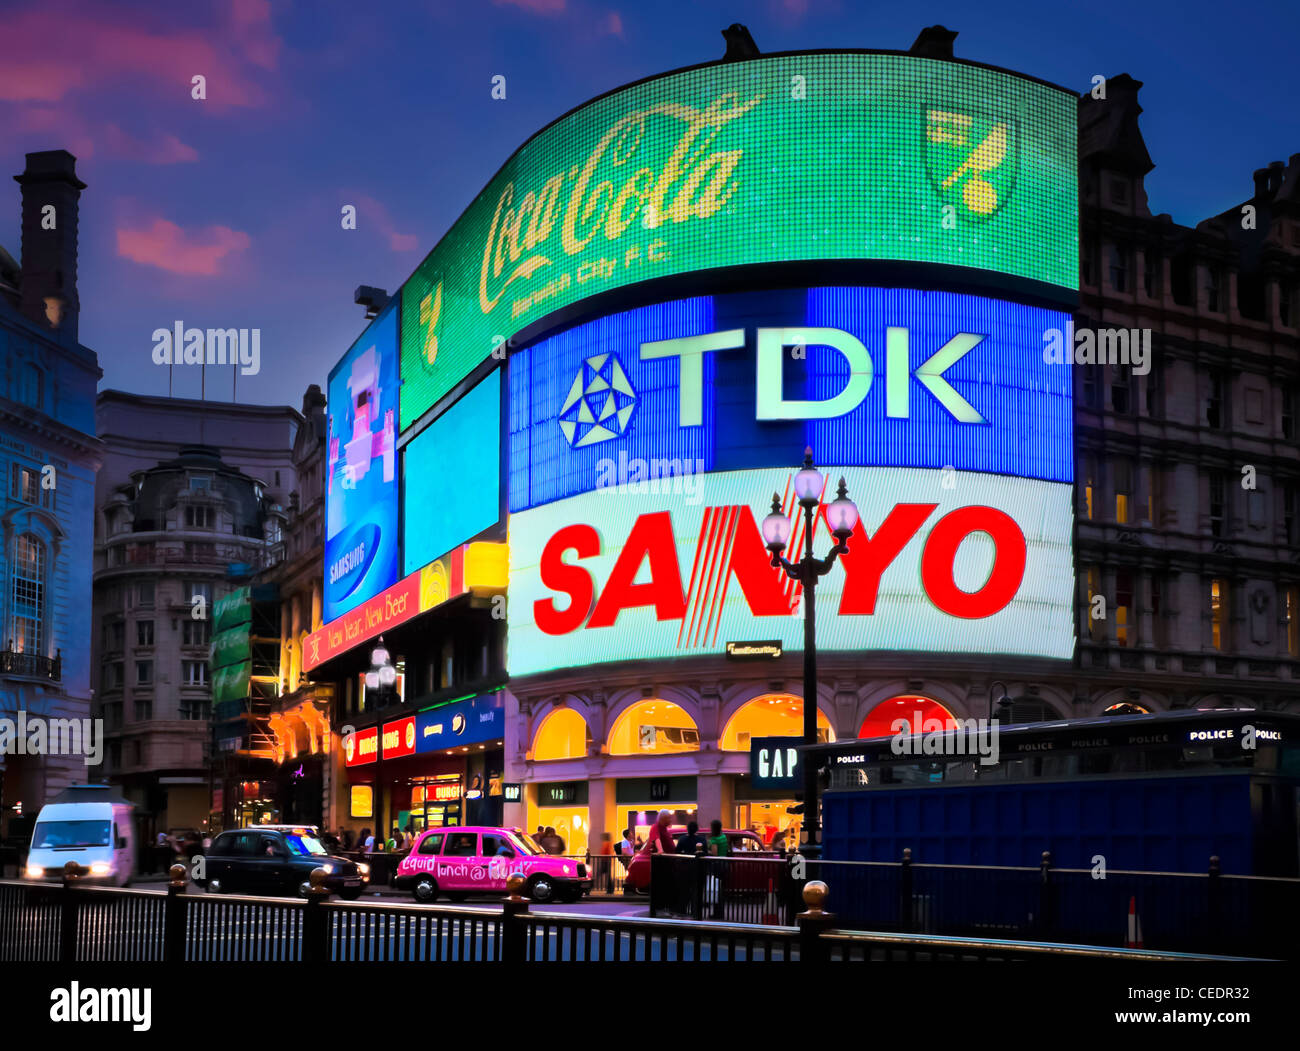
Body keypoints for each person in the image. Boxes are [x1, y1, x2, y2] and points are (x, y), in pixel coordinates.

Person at [706, 819, 730, 919]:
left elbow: (714, 853)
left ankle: (717, 913)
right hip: (724, 864)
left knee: (716, 890)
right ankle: (720, 913)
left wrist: (707, 850)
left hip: (717, 866)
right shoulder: (723, 837)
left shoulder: (714, 840)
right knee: (721, 890)